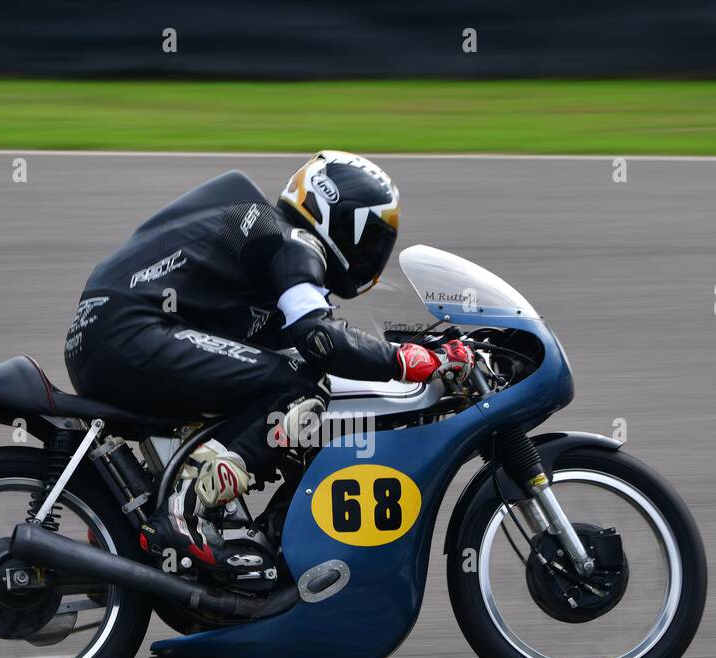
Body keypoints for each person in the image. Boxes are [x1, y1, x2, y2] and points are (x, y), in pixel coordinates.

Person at [65, 150, 474, 567]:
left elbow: (309, 336)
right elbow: (319, 338)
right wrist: (406, 359)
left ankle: (130, 529)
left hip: (110, 337)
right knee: (300, 385)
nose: (372, 248)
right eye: (370, 233)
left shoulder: (267, 245)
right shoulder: (294, 242)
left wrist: (380, 350)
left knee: (274, 383)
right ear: (338, 215)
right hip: (131, 334)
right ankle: (184, 508)